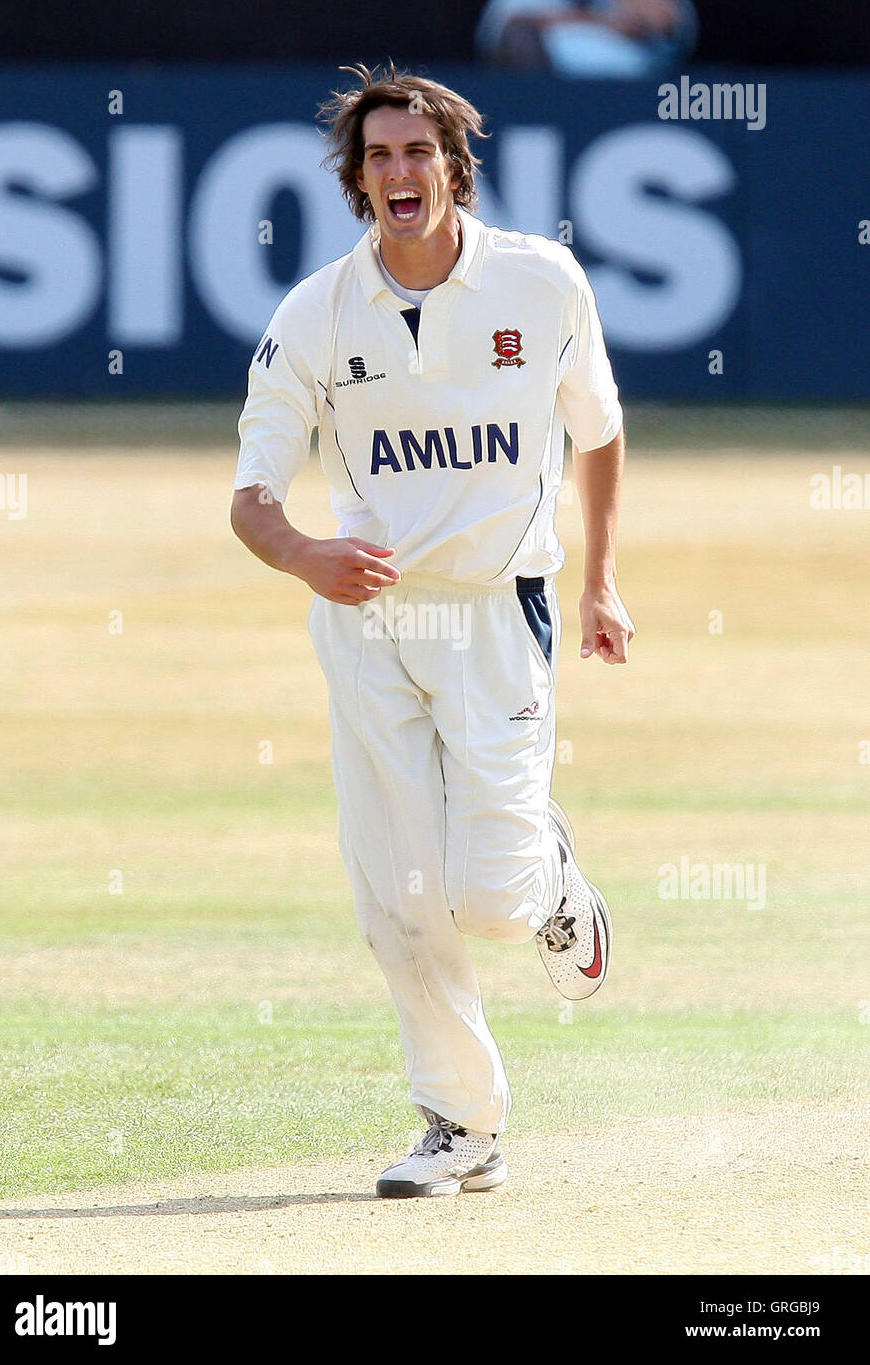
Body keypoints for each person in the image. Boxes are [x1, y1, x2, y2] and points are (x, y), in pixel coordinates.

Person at [230, 63, 634, 1199]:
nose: (398, 172)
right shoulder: (315, 312)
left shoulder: (540, 283)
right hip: (366, 627)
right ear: (357, 182)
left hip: (499, 612)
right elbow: (251, 498)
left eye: (417, 153)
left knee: (491, 899)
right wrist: (309, 556)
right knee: (397, 895)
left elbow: (595, 430)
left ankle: (551, 879)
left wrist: (600, 581)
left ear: (453, 167)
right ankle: (461, 1127)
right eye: (378, 157)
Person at [476, 0, 698, 78]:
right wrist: (607, 23)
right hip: (548, 100)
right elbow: (511, 31)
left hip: (632, 100)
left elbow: (664, 22)